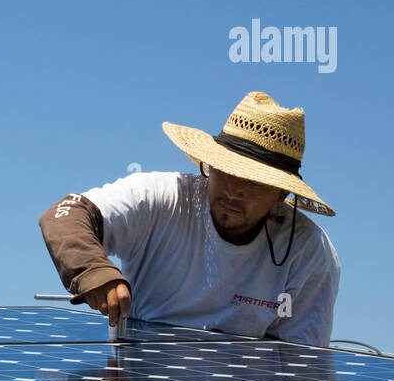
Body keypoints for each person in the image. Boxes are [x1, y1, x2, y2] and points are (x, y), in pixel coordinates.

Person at [38, 91, 340, 347]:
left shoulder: (308, 252)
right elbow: (66, 213)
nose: (233, 191)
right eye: (223, 170)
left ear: (280, 193)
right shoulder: (163, 197)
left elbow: (298, 368)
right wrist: (93, 270)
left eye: (253, 182)